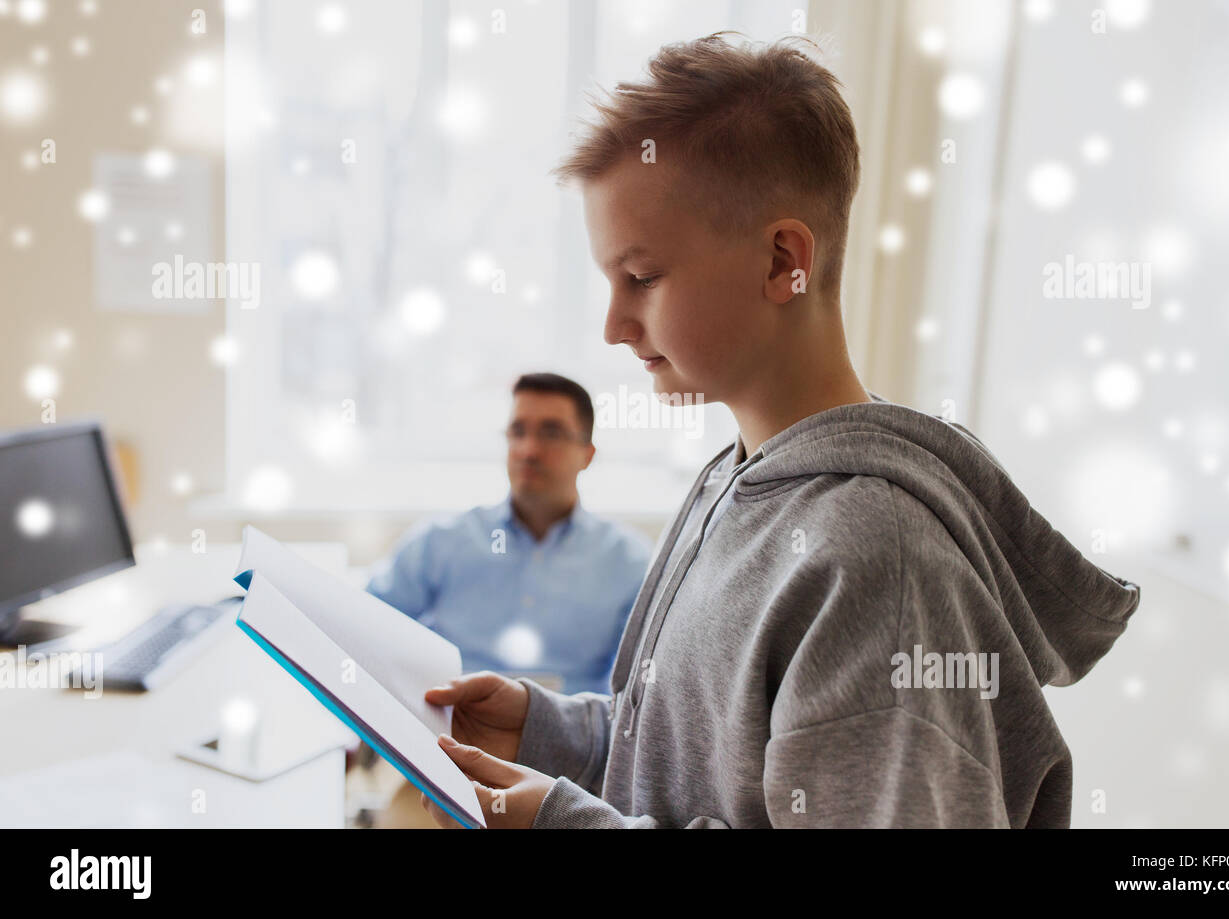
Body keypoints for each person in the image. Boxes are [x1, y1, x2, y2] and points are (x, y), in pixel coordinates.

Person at [421, 32, 1142, 828]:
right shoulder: (735, 484)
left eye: (642, 278)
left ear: (782, 263)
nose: (614, 327)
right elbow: (679, 761)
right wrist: (543, 728)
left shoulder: (876, 567)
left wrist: (558, 822)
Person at [365, 372, 650, 695]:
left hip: (570, 740)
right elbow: (364, 625)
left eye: (551, 433)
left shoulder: (631, 564)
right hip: (444, 730)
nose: (528, 450)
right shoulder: (440, 543)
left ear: (587, 455)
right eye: (518, 431)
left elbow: (640, 692)